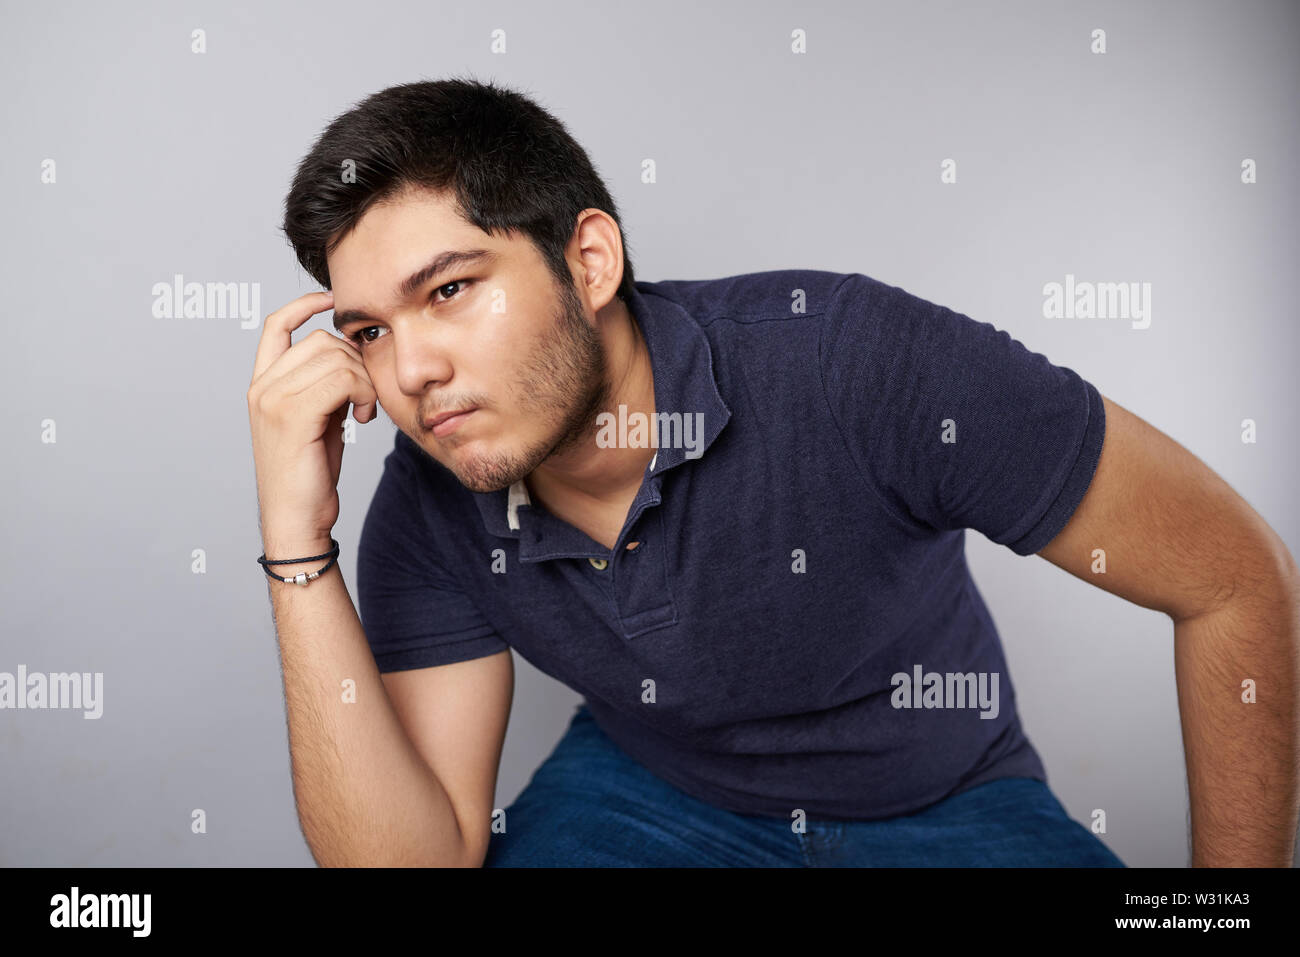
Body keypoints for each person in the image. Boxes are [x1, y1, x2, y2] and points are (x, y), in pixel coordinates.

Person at [246, 77, 1299, 868]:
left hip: (944, 799)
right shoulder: (435, 490)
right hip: (647, 790)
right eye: (368, 330)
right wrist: (298, 539)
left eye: (450, 290)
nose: (413, 370)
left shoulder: (855, 359)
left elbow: (1231, 580)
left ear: (589, 261)